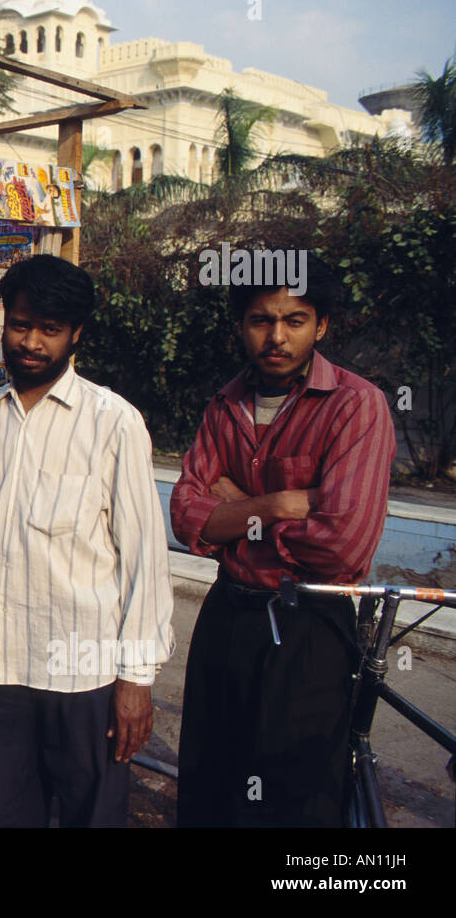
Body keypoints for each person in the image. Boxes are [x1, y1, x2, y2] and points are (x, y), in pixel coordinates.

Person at [0, 254, 174, 827]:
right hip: (1, 670)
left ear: (75, 334)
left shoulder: (113, 422)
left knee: (91, 817)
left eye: (49, 330)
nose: (31, 342)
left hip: (86, 675)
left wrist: (136, 680)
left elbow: (144, 561)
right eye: (21, 324)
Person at [170, 253, 395, 828]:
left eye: (294, 320)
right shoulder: (225, 404)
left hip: (312, 626)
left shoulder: (356, 405)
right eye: (260, 319)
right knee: (210, 781)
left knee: (294, 797)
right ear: (240, 325)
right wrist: (279, 504)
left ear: (321, 326)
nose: (276, 336)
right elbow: (184, 515)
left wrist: (234, 510)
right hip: (229, 616)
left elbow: (342, 547)